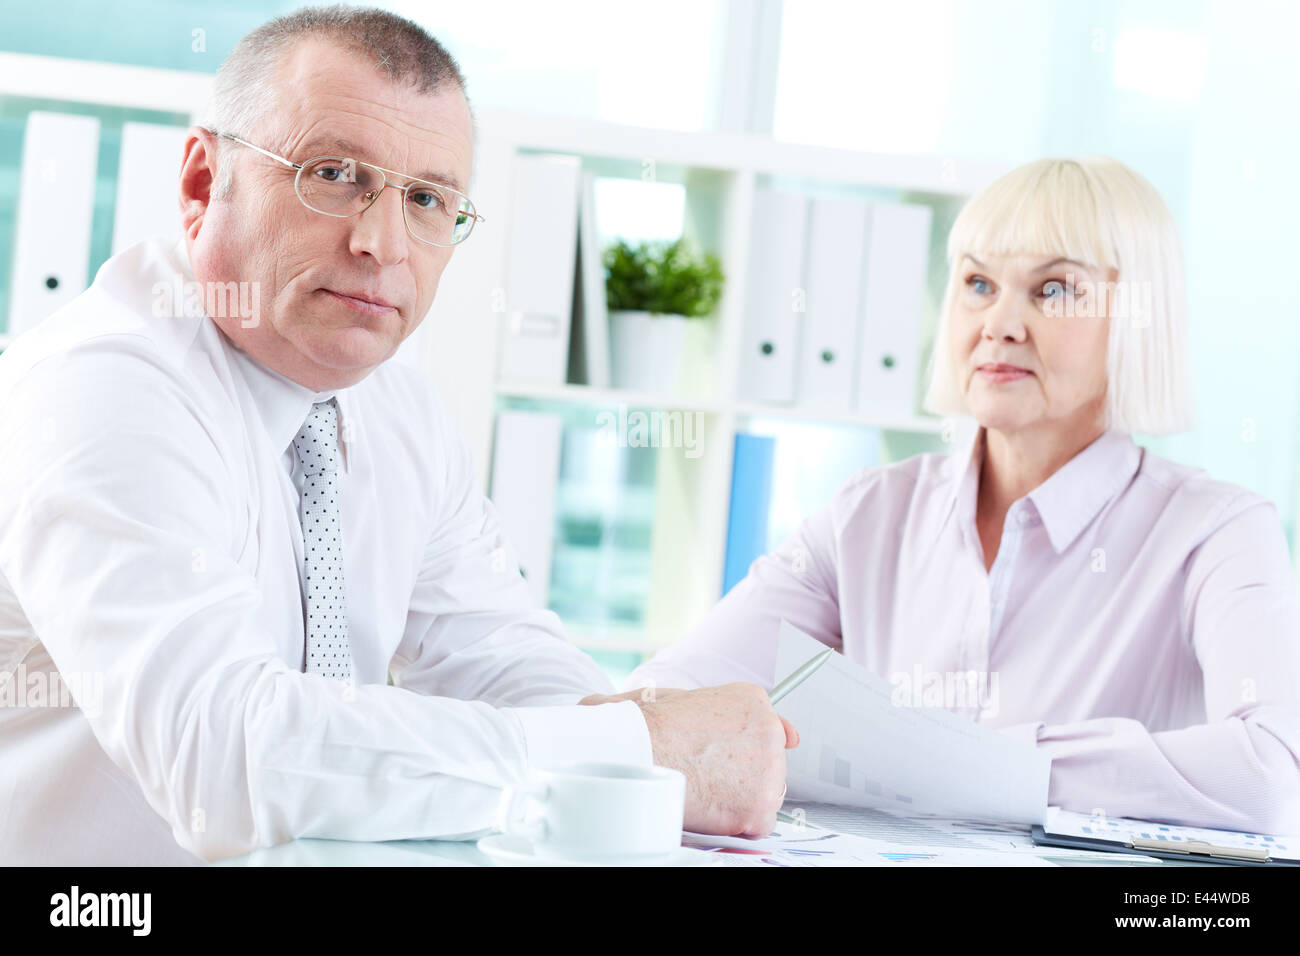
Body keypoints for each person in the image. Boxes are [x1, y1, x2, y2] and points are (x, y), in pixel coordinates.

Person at [0, 5, 792, 866]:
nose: (382, 243)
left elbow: (500, 656)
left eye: (426, 200)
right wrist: (638, 746)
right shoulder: (104, 387)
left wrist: (628, 758)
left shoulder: (393, 405)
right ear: (202, 183)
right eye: (334, 174)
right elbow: (229, 759)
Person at [624, 155, 1300, 836]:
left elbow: (1274, 771)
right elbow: (671, 695)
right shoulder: (871, 512)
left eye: (1055, 290)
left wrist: (987, 766)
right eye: (979, 283)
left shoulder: (1218, 532)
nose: (999, 323)